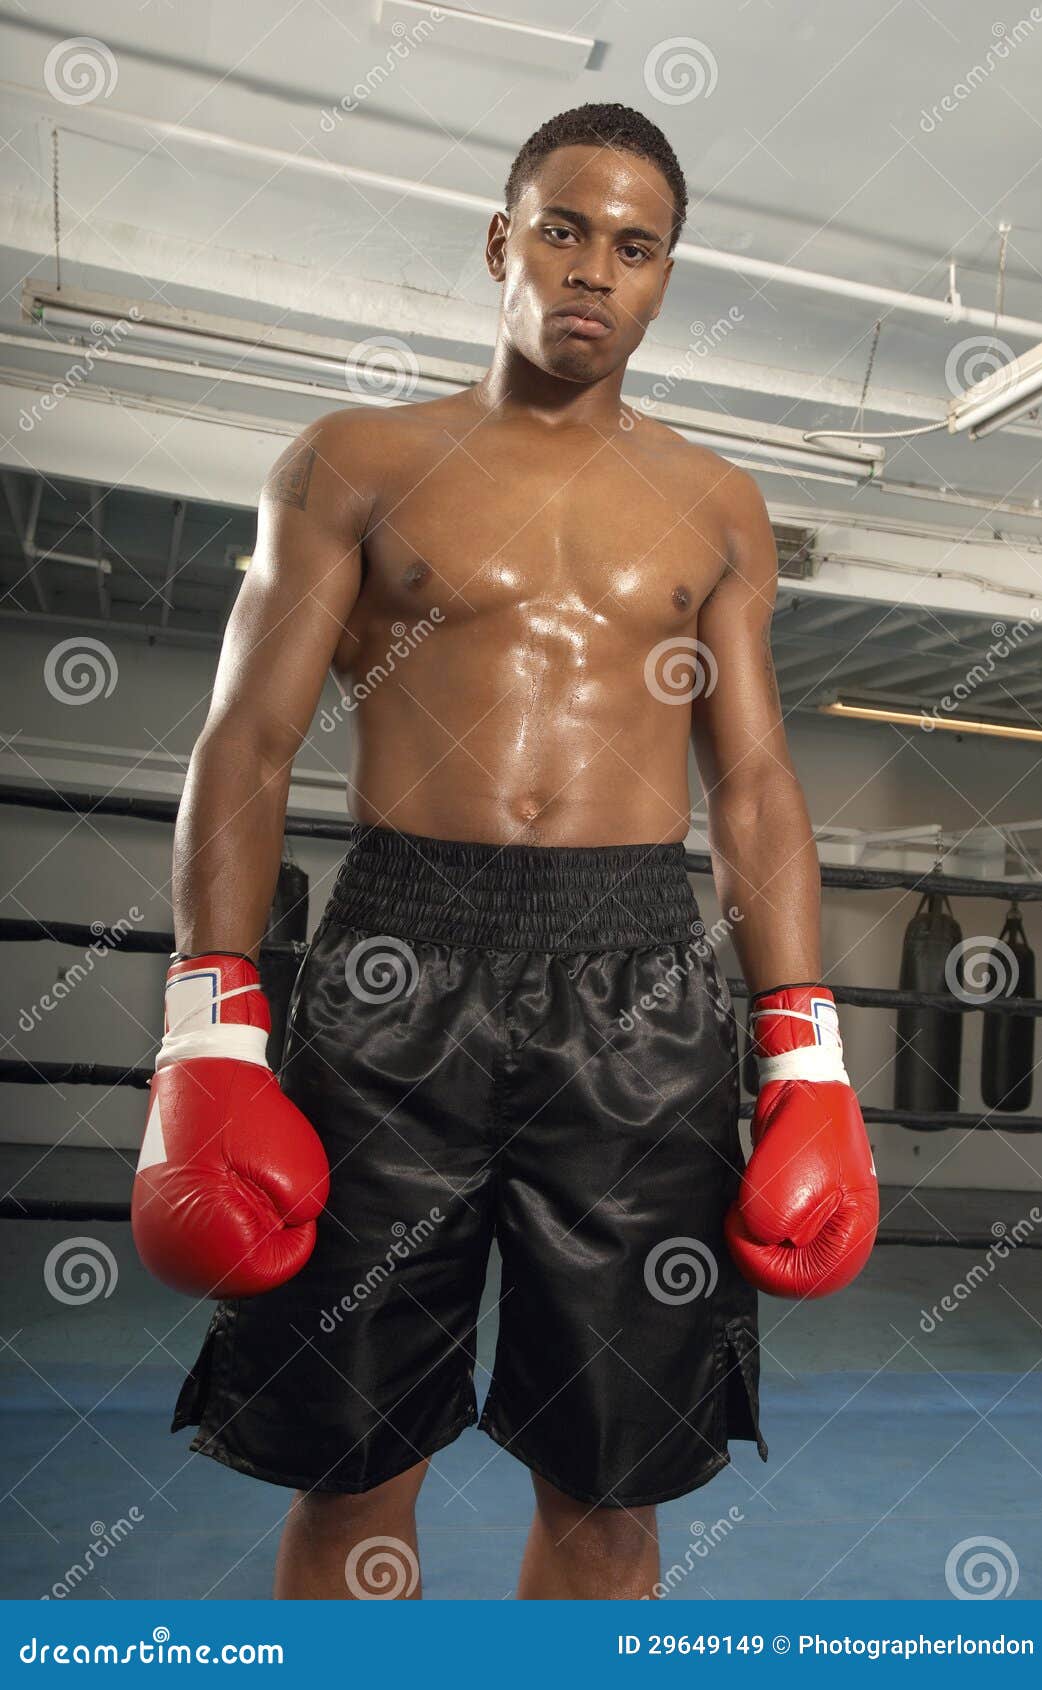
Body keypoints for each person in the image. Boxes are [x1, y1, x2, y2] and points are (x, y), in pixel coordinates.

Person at [132, 102, 878, 1601]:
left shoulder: (720, 504)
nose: (595, 268)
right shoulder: (352, 459)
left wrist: (810, 1061)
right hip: (399, 956)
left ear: (667, 277)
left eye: (636, 245)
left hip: (639, 989)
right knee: (353, 1469)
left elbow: (753, 784)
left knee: (615, 1483)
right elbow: (245, 744)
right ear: (501, 240)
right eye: (563, 227)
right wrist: (206, 1029)